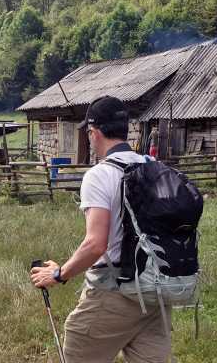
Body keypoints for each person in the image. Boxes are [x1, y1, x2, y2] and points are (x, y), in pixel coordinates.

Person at [30, 97, 172, 363]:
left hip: (114, 293)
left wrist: (60, 274)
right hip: (155, 293)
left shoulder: (100, 175)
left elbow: (96, 244)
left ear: (93, 132)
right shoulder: (155, 168)